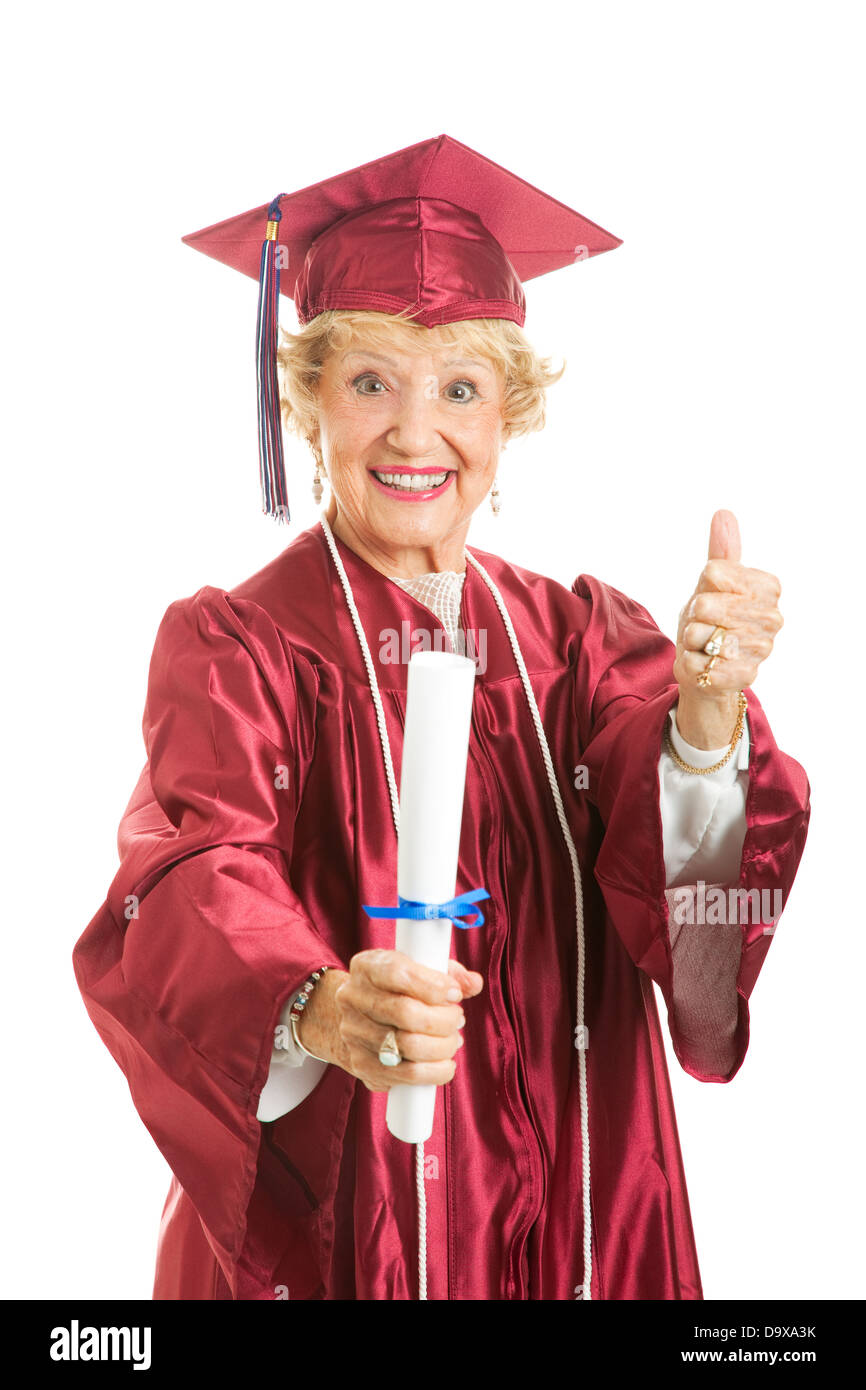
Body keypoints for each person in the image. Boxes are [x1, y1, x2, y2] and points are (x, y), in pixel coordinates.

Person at [72, 135, 810, 1301]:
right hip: (351, 1216)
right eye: (370, 381)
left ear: (507, 417)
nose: (415, 435)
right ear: (308, 402)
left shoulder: (577, 641)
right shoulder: (238, 648)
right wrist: (311, 1003)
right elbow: (191, 870)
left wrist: (706, 720)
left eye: (458, 388)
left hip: (582, 1199)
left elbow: (673, 860)